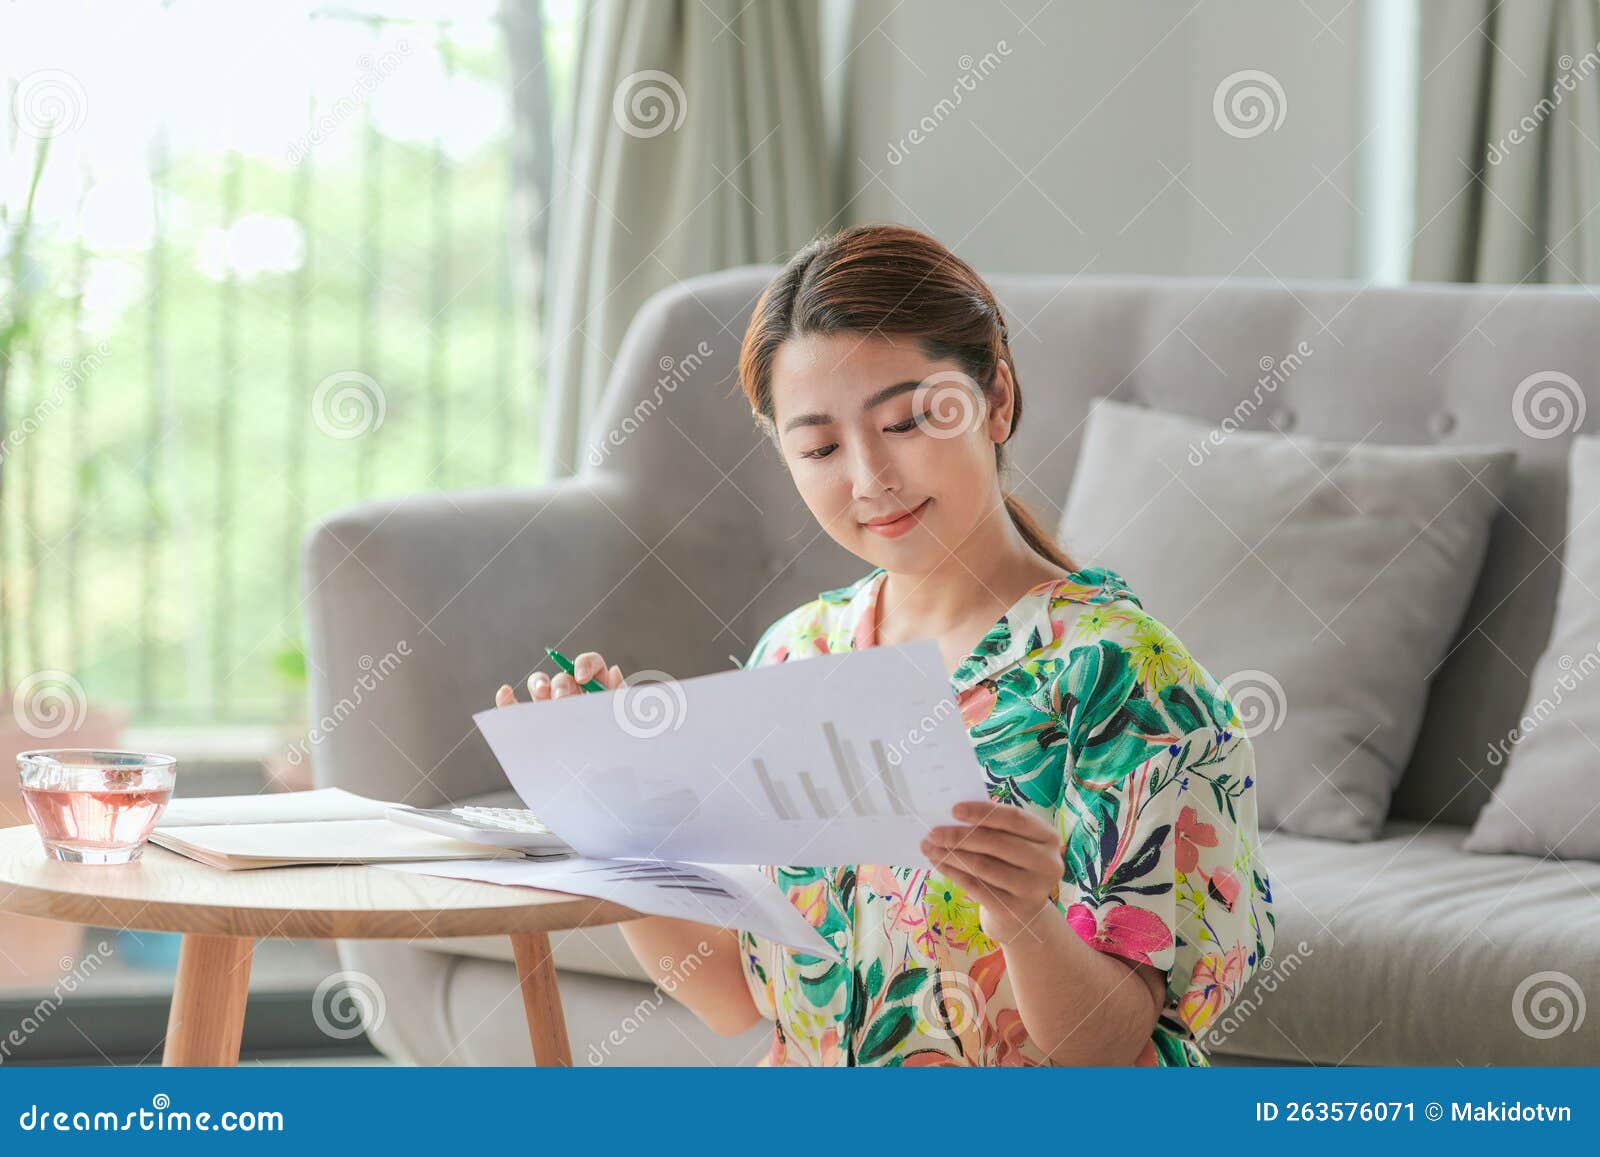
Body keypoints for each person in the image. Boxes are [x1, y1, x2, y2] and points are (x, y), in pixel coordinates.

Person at [494, 222, 1274, 1066]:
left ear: (996, 398)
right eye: (821, 446)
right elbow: (732, 995)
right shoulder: (796, 656)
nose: (870, 480)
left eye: (904, 422)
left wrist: (1024, 916)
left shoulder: (1124, 678)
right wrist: (616, 821)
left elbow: (1109, 1049)